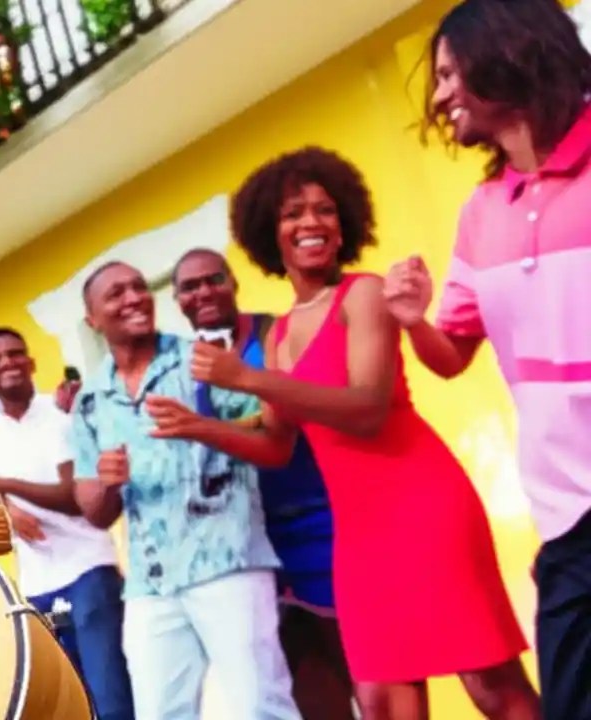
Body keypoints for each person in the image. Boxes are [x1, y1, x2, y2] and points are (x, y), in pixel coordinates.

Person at [147, 146, 539, 719]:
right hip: (356, 532)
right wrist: (201, 428)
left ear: (345, 223)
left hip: (423, 505)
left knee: (488, 683)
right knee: (383, 699)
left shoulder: (365, 294)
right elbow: (279, 446)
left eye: (325, 210)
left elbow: (366, 408)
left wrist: (250, 379)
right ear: (269, 234)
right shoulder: (279, 334)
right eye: (292, 214)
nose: (311, 223)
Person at [385, 1, 591, 716]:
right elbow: (451, 356)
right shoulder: (482, 211)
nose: (439, 95)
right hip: (566, 518)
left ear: (506, 52)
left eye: (448, 73)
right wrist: (414, 323)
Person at [70, 260, 301, 720]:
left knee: (261, 707)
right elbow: (94, 509)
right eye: (116, 294)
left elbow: (276, 442)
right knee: (159, 713)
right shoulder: (90, 401)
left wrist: (201, 427)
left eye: (139, 286)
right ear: (93, 319)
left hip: (227, 560)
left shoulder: (202, 361)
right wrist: (108, 484)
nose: (134, 297)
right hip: (150, 584)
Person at [170, 248, 354, 720]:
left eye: (214, 279)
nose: (203, 292)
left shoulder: (276, 334)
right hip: (252, 549)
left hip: (320, 522)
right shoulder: (183, 369)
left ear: (234, 282)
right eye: (190, 287)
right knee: (305, 689)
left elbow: (296, 416)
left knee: (364, 674)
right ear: (176, 300)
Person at [0, 327, 133, 720]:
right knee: (74, 705)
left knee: (113, 702)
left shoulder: (59, 418)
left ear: (31, 362)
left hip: (88, 570)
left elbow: (77, 499)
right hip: (36, 585)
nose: (7, 362)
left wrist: (1, 484)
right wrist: (5, 505)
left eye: (15, 354)